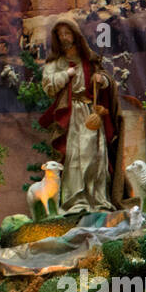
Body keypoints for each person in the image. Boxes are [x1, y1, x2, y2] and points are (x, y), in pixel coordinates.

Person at [39, 18, 119, 215]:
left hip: (91, 112)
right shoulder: (55, 63)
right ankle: (76, 200)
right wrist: (65, 74)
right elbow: (48, 86)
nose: (64, 37)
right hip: (71, 114)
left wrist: (102, 80)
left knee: (96, 154)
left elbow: (107, 80)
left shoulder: (89, 59)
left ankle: (97, 199)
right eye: (61, 34)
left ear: (75, 35)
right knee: (75, 155)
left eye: (67, 33)